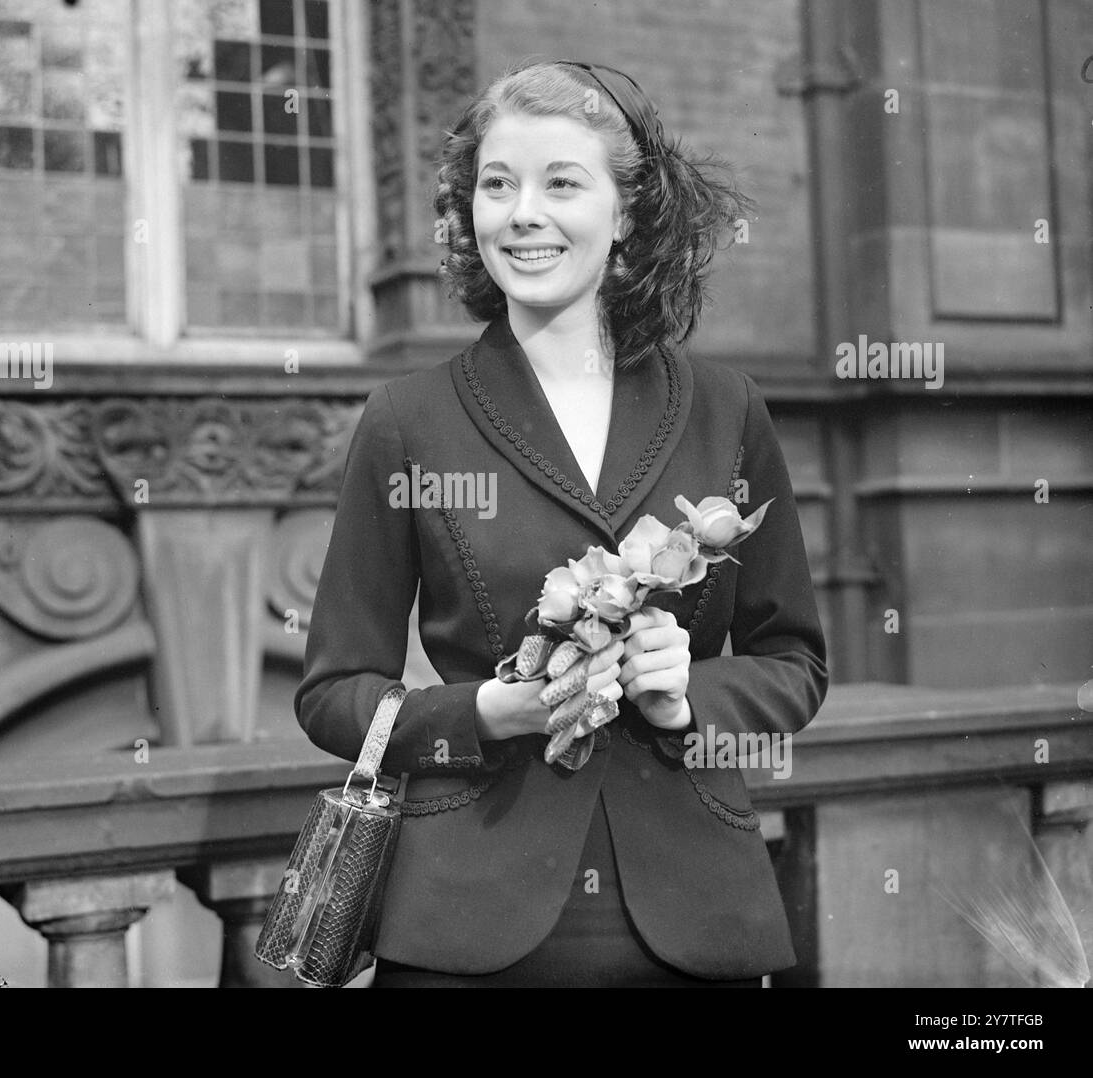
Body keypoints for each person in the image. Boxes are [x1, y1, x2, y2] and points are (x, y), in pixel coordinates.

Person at [294, 58, 828, 987]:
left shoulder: (727, 409)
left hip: (696, 917)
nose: (522, 214)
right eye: (497, 185)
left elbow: (796, 664)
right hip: (466, 924)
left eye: (562, 184)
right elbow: (333, 692)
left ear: (626, 213)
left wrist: (689, 697)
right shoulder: (408, 420)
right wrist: (482, 713)